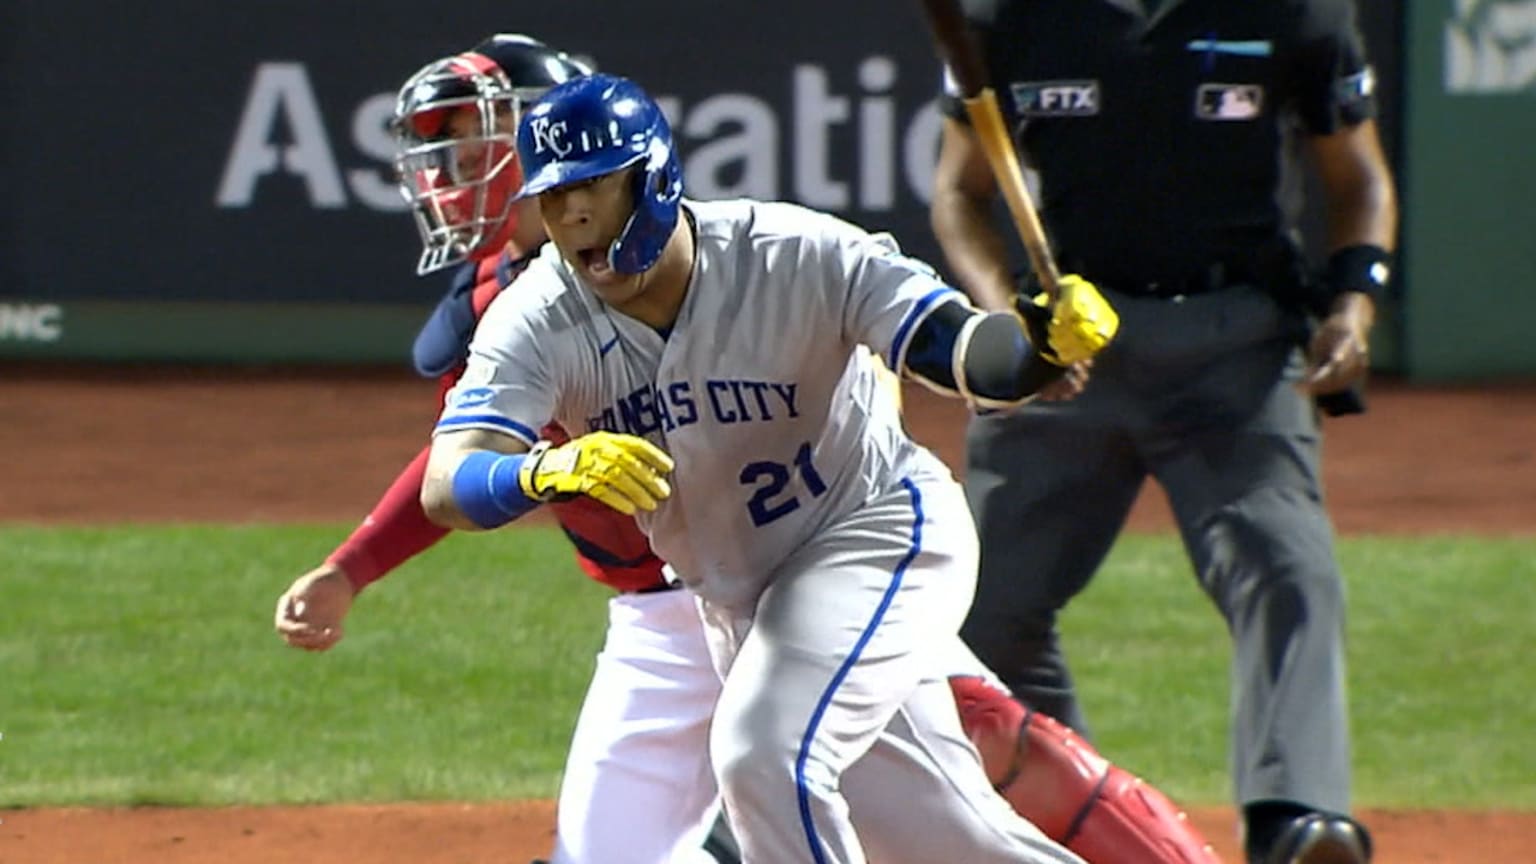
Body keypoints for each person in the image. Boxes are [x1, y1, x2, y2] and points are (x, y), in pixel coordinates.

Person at [276, 36, 1219, 864]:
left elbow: (957, 348)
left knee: (763, 751)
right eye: (555, 198)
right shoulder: (535, 315)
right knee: (947, 843)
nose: (572, 221)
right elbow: (451, 478)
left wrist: (1034, 344)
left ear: (651, 176)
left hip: (874, 533)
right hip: (723, 598)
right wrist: (541, 470)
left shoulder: (794, 252)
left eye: (592, 190)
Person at [928, 3, 1398, 864]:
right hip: (1071, 344)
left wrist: (1353, 305)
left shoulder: (1296, 10)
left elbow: (1358, 178)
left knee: (1289, 570)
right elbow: (957, 194)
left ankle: (1295, 822)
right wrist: (1012, 321)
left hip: (1238, 350)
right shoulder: (1005, 16)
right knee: (982, 614)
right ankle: (1082, 822)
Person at [272, 36, 726, 864]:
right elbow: (457, 460)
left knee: (953, 789)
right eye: (442, 162)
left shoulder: (674, 263)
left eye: (473, 154)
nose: (447, 183)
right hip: (659, 617)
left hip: (779, 580)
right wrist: (352, 568)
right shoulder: (496, 293)